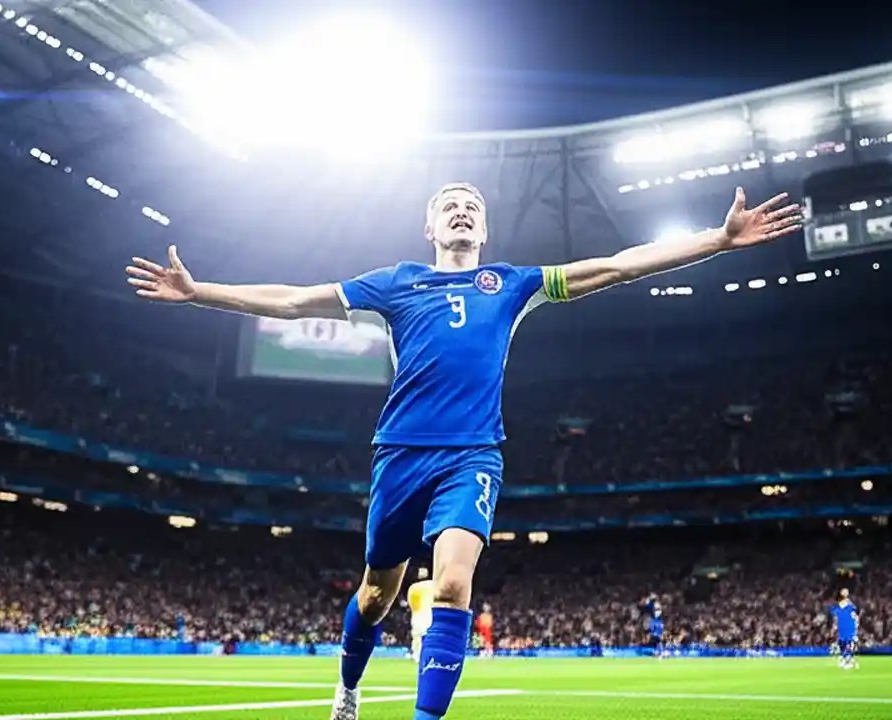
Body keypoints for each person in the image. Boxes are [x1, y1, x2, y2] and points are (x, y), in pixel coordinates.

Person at [126, 182, 802, 720]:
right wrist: (198, 293)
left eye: (471, 206)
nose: (460, 210)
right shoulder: (395, 283)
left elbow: (619, 265)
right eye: (448, 204)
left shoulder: (510, 285)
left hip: (472, 455)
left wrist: (718, 239)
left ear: (483, 230)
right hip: (398, 455)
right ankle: (348, 689)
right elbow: (296, 301)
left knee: (452, 583)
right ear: (431, 227)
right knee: (373, 597)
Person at [406, 568, 434, 663]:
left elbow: (410, 601)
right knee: (428, 636)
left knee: (416, 636)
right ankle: (427, 654)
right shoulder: (432, 584)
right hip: (429, 613)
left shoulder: (413, 587)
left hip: (418, 614)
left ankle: (416, 654)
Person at [829, 588, 859, 670]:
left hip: (848, 629)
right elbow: (835, 618)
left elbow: (855, 614)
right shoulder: (838, 609)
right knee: (842, 644)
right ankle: (845, 659)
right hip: (842, 629)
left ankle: (848, 661)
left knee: (848, 644)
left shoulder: (850, 607)